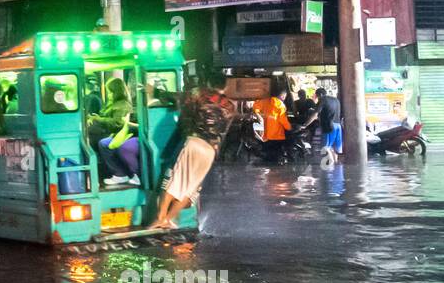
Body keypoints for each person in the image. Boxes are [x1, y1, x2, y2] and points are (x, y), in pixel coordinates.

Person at [152, 75, 235, 229]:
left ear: (209, 83)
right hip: (210, 151)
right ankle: (171, 219)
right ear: (226, 87)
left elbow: (177, 97)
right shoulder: (230, 106)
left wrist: (155, 92)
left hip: (194, 142)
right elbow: (224, 133)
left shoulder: (200, 94)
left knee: (171, 182)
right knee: (190, 189)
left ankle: (161, 218)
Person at [89, 77, 138, 185]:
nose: (109, 95)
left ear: (116, 92)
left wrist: (99, 119)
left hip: (121, 133)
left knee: (103, 143)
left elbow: (117, 123)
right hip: (112, 132)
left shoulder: (122, 105)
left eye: (110, 92)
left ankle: (119, 174)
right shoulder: (114, 103)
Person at [252, 85, 292, 162]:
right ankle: (274, 169)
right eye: (285, 96)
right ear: (282, 95)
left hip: (265, 134)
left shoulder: (265, 101)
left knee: (267, 152)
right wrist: (289, 128)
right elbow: (283, 120)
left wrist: (258, 115)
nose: (284, 98)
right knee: (276, 154)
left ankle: (268, 165)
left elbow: (255, 106)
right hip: (276, 134)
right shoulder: (280, 105)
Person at [304, 87, 342, 164]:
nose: (318, 99)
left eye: (318, 97)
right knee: (334, 148)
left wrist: (305, 125)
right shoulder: (336, 100)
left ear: (320, 95)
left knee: (325, 148)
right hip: (338, 126)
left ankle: (331, 167)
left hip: (329, 126)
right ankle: (336, 167)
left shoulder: (323, 100)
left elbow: (315, 114)